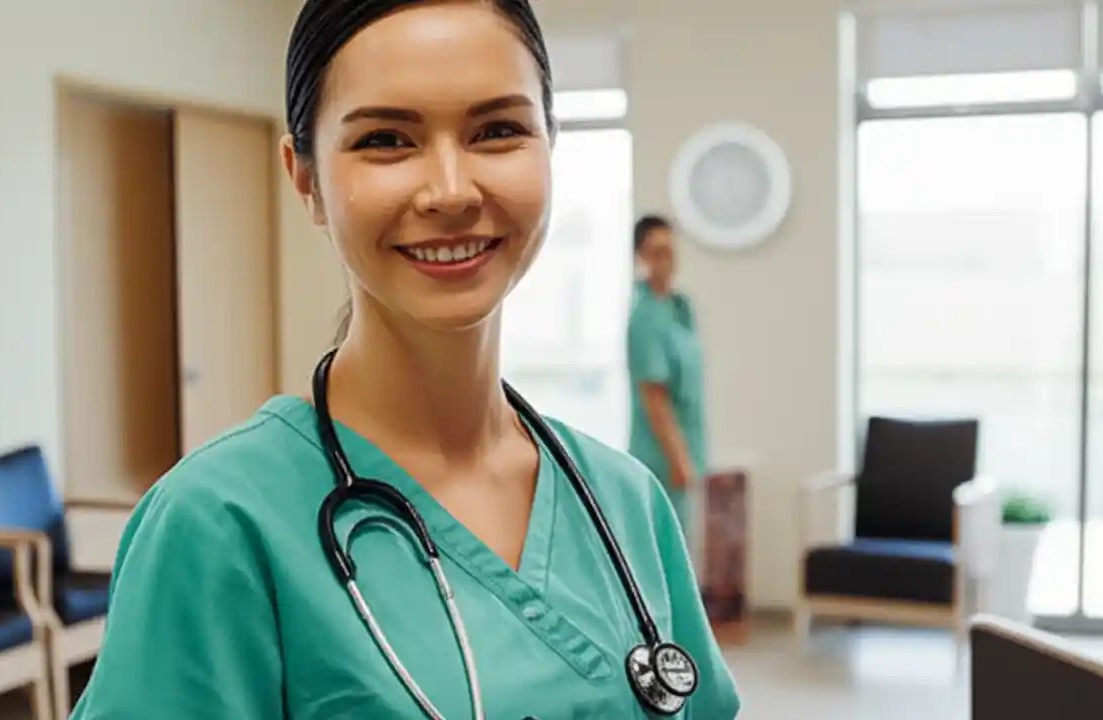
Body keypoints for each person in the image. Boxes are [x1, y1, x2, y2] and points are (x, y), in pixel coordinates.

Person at [69, 2, 740, 718]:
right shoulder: (218, 524)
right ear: (305, 179)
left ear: (550, 146)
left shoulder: (624, 502)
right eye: (386, 139)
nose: (451, 191)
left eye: (498, 131)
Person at [627, 215, 710, 539]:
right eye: (656, 251)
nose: (666, 260)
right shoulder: (644, 318)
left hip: (689, 440)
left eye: (670, 250)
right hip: (661, 453)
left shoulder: (680, 307)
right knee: (665, 542)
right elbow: (654, 395)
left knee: (684, 539)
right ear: (641, 256)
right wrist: (679, 458)